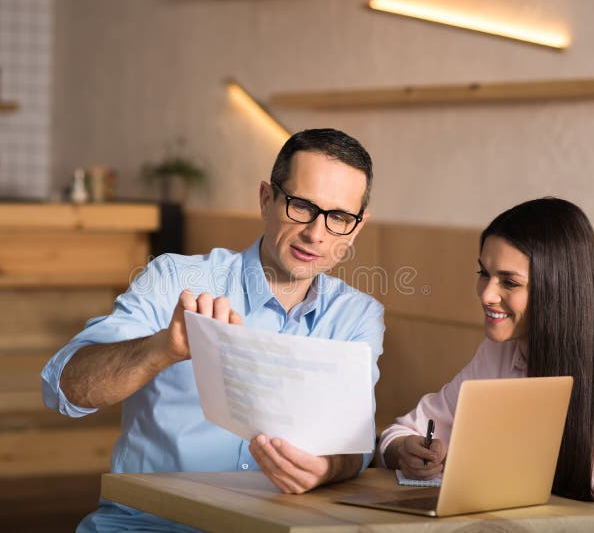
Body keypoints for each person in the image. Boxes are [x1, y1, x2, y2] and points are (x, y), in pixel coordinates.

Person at [41, 128, 385, 532]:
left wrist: (327, 469)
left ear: (357, 227)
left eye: (339, 218)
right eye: (302, 206)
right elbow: (64, 389)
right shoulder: (173, 279)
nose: (316, 234)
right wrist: (161, 350)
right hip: (152, 526)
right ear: (266, 199)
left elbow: (354, 445)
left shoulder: (358, 316)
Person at [379, 198, 594, 533]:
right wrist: (403, 452)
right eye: (484, 274)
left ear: (558, 288)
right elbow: (401, 433)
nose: (486, 294)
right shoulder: (496, 356)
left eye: (509, 282)